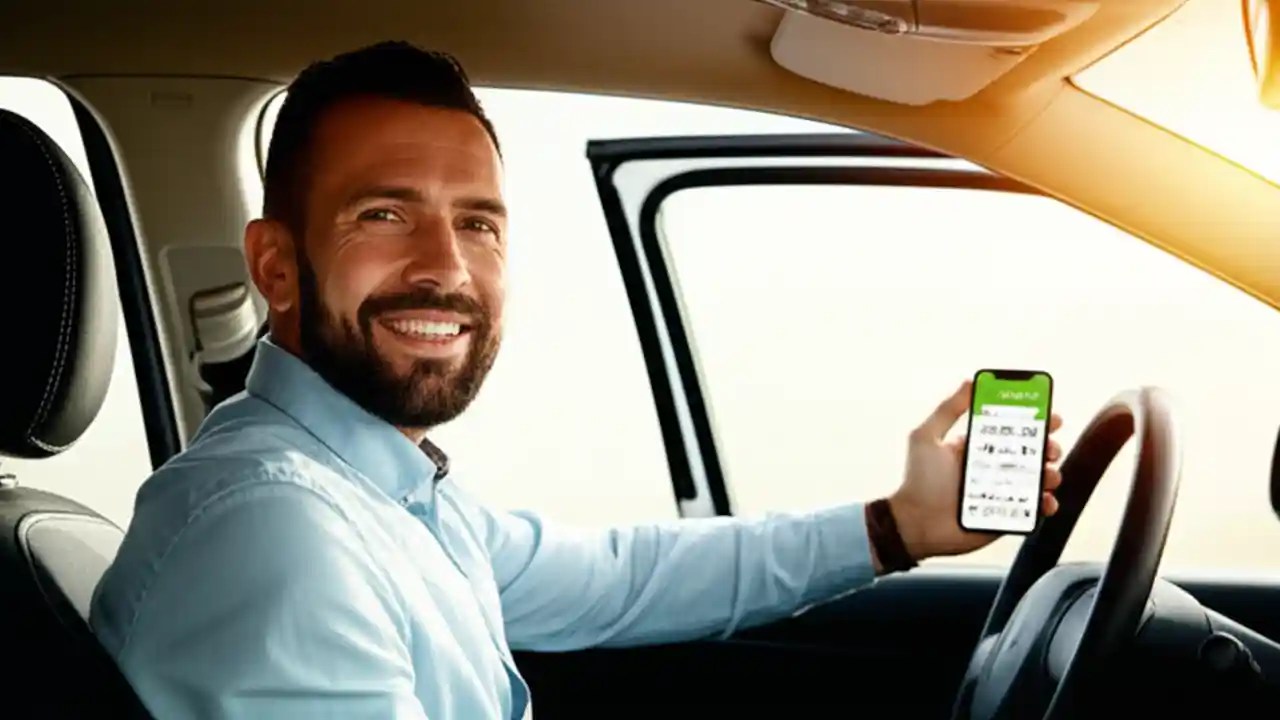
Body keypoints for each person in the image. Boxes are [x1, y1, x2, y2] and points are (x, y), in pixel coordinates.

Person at [89, 41, 1064, 719]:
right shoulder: (276, 539)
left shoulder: (378, 493)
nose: (446, 267)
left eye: (477, 223)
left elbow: (613, 576)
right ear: (274, 266)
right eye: (383, 215)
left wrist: (891, 528)